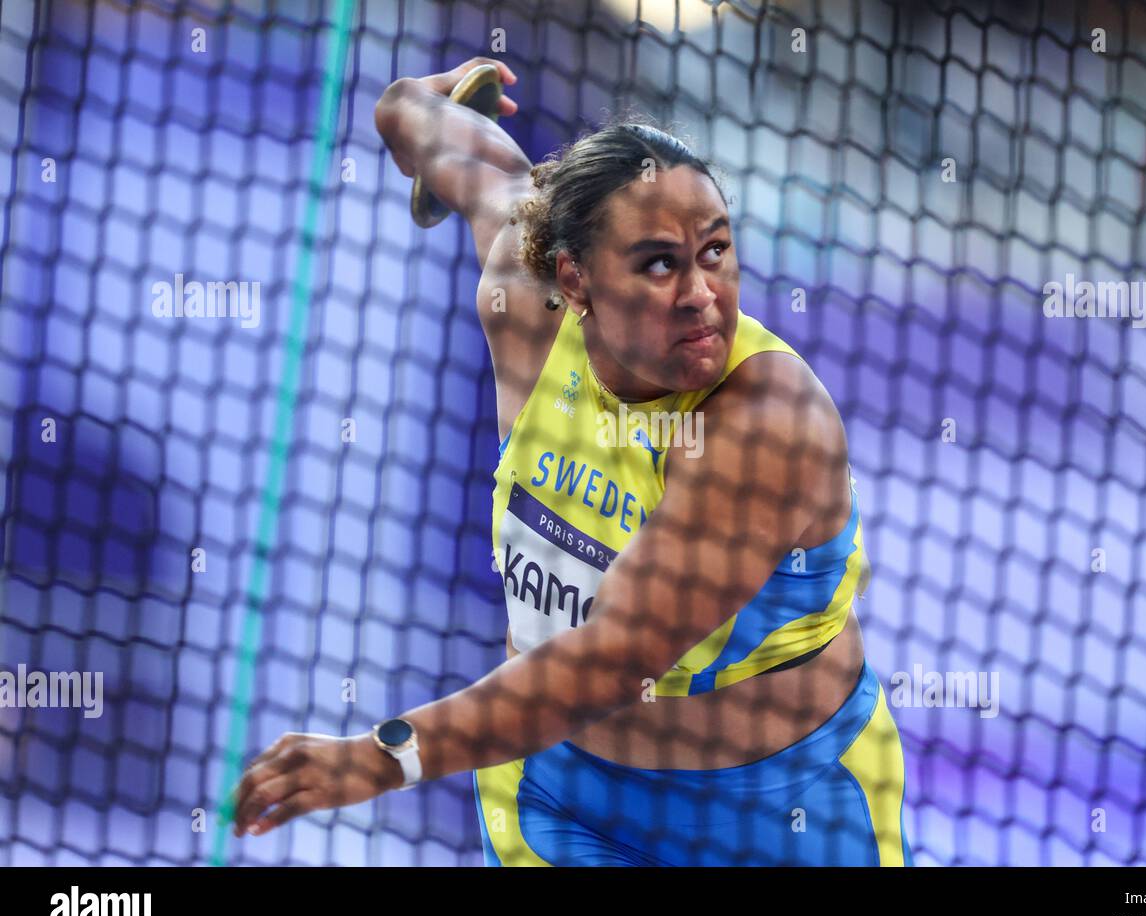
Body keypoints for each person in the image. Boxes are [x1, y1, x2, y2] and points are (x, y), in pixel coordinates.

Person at [231, 57, 914, 866]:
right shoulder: (522, 299)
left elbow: (614, 660)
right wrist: (419, 104)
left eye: (717, 251)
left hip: (784, 814)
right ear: (574, 280)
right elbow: (411, 116)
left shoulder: (767, 419)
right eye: (660, 263)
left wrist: (381, 758)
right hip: (564, 805)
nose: (702, 292)